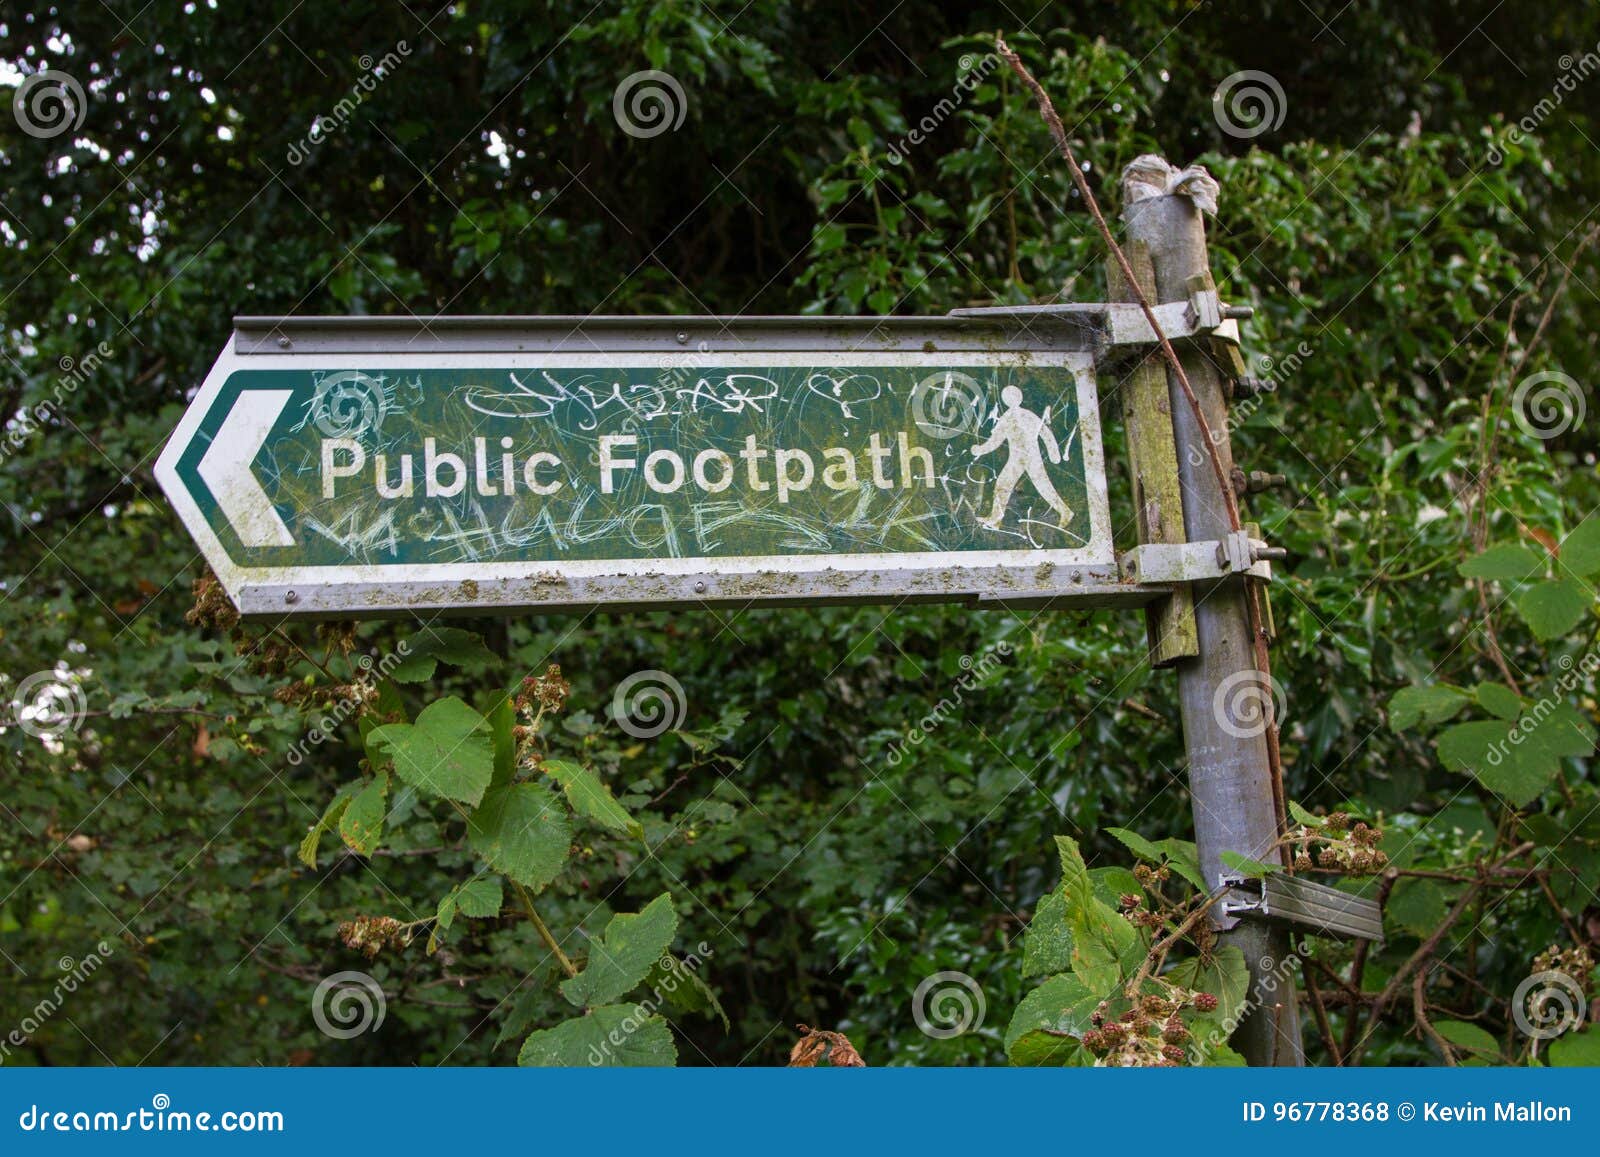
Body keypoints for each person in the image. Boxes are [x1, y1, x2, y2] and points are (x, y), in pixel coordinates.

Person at [970, 385, 1073, 530]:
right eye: (1008, 397)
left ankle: (1066, 512)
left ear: (1019, 397)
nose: (1011, 399)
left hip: (1032, 457)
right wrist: (980, 450)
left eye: (1013, 396)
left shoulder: (1027, 415)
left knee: (1044, 487)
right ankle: (995, 519)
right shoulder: (1006, 417)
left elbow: (1044, 432)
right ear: (1005, 400)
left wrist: (1053, 453)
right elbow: (996, 440)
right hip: (1016, 459)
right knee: (1002, 485)